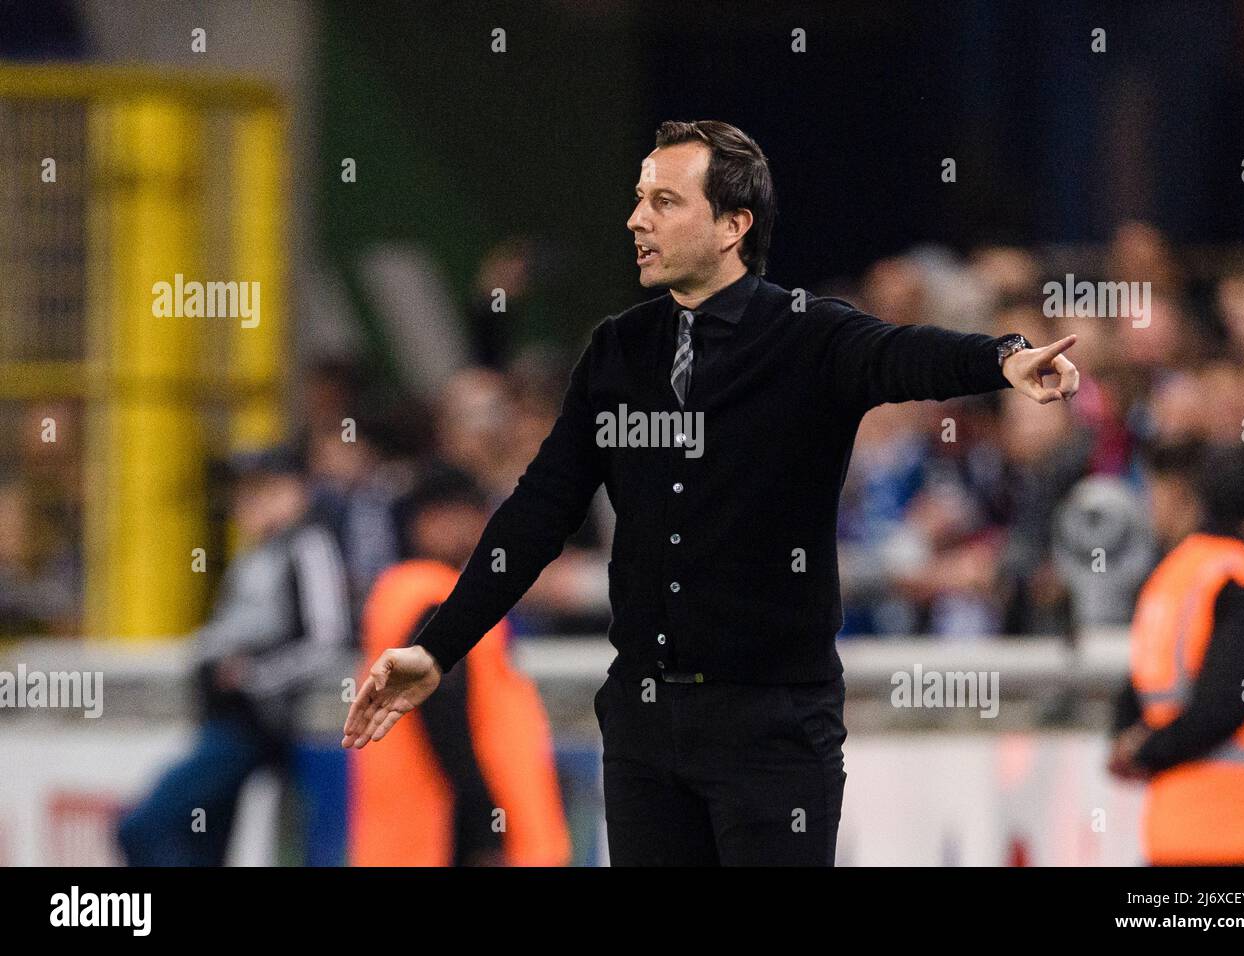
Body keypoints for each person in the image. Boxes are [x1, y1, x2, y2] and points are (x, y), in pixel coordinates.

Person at [343, 119, 1079, 866]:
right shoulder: (617, 351)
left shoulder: (806, 338)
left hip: (773, 729)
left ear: (733, 225)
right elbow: (538, 511)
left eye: (664, 201)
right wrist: (439, 649)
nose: (636, 219)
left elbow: (902, 354)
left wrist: (1005, 357)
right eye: (638, 199)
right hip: (643, 728)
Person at [118, 448, 352, 866]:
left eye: (263, 490)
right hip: (227, 717)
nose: (248, 503)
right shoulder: (258, 553)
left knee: (144, 825)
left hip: (258, 724)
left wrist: (255, 676)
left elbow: (327, 639)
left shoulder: (308, 546)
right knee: (203, 843)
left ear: (296, 491)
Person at [349, 465, 570, 866]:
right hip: (446, 830)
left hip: (412, 830)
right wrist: (484, 822)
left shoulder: (398, 593)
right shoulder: (436, 597)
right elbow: (446, 719)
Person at [1108, 442, 1244, 865]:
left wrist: (1135, 748)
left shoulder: (1172, 579)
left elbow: (1133, 695)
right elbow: (1227, 703)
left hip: (1175, 837)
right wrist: (1148, 751)